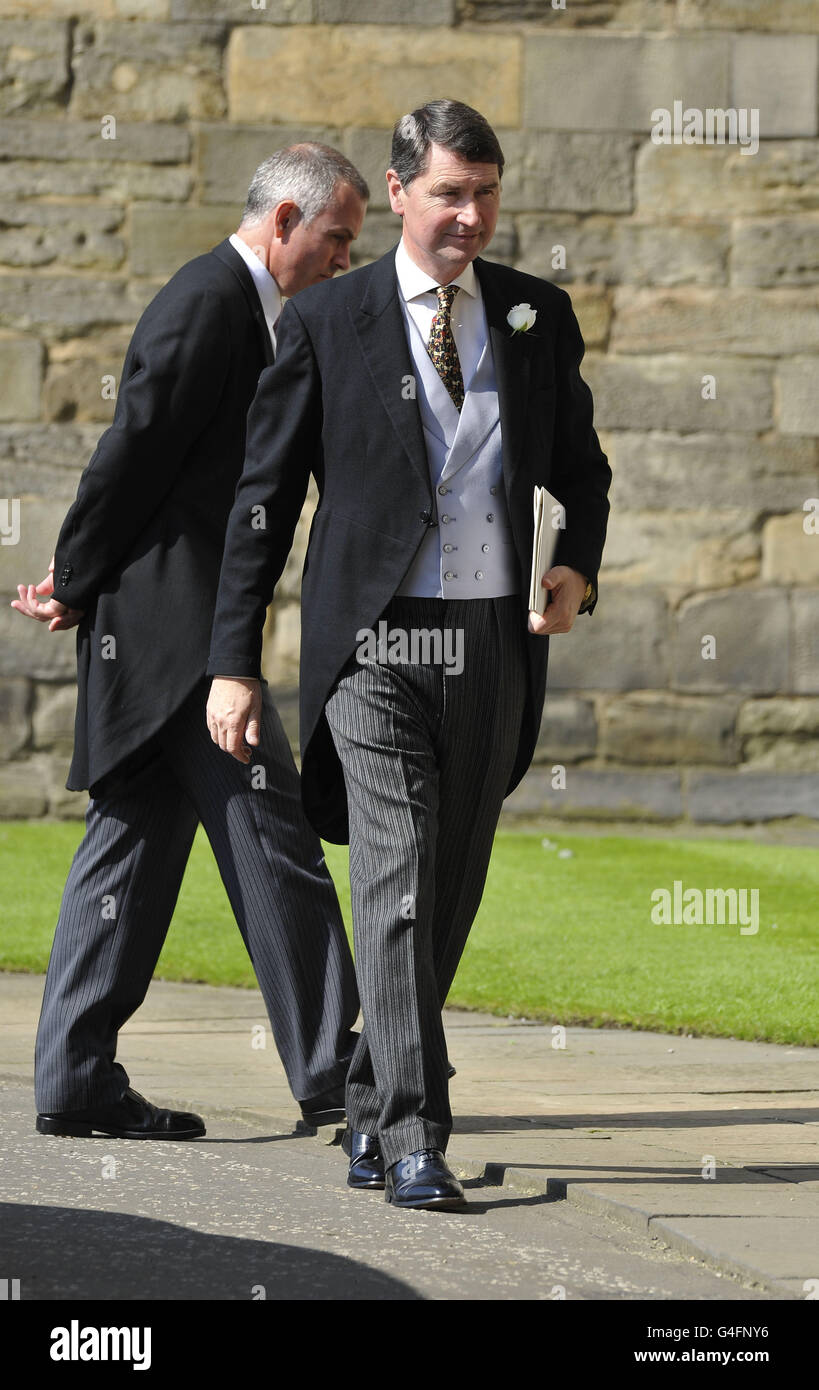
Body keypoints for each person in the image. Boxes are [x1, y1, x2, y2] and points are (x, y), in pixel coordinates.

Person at [206, 101, 611, 1207]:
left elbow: (582, 468)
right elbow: (263, 500)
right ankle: (418, 1131)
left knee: (452, 887)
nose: (470, 215)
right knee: (393, 881)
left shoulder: (535, 316)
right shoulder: (329, 321)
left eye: (484, 192)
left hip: (492, 640)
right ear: (397, 192)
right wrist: (233, 659)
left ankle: (376, 1090)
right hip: (376, 643)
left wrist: (577, 561)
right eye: (448, 192)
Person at [11, 144, 368, 1141]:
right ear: (284, 223)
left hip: (166, 633)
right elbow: (132, 446)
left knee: (130, 847)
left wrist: (85, 585)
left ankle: (78, 1076)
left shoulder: (249, 310)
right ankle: (340, 1067)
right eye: (338, 237)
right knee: (273, 836)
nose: (346, 258)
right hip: (177, 641)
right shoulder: (209, 300)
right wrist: (77, 577)